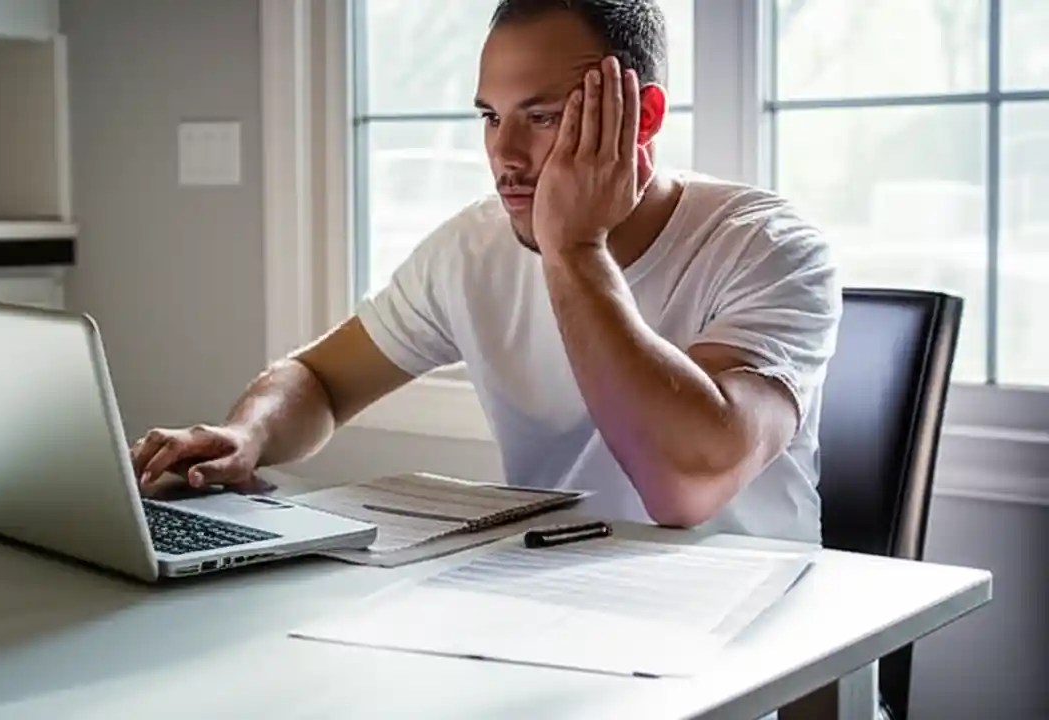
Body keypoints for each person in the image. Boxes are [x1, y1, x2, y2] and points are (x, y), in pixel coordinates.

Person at [130, 0, 841, 543]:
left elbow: (684, 486)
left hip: (748, 626)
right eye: (491, 117)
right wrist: (247, 435)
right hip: (551, 604)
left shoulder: (770, 247)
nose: (505, 156)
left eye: (542, 117)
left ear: (643, 116)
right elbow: (317, 379)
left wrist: (575, 250)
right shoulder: (473, 247)